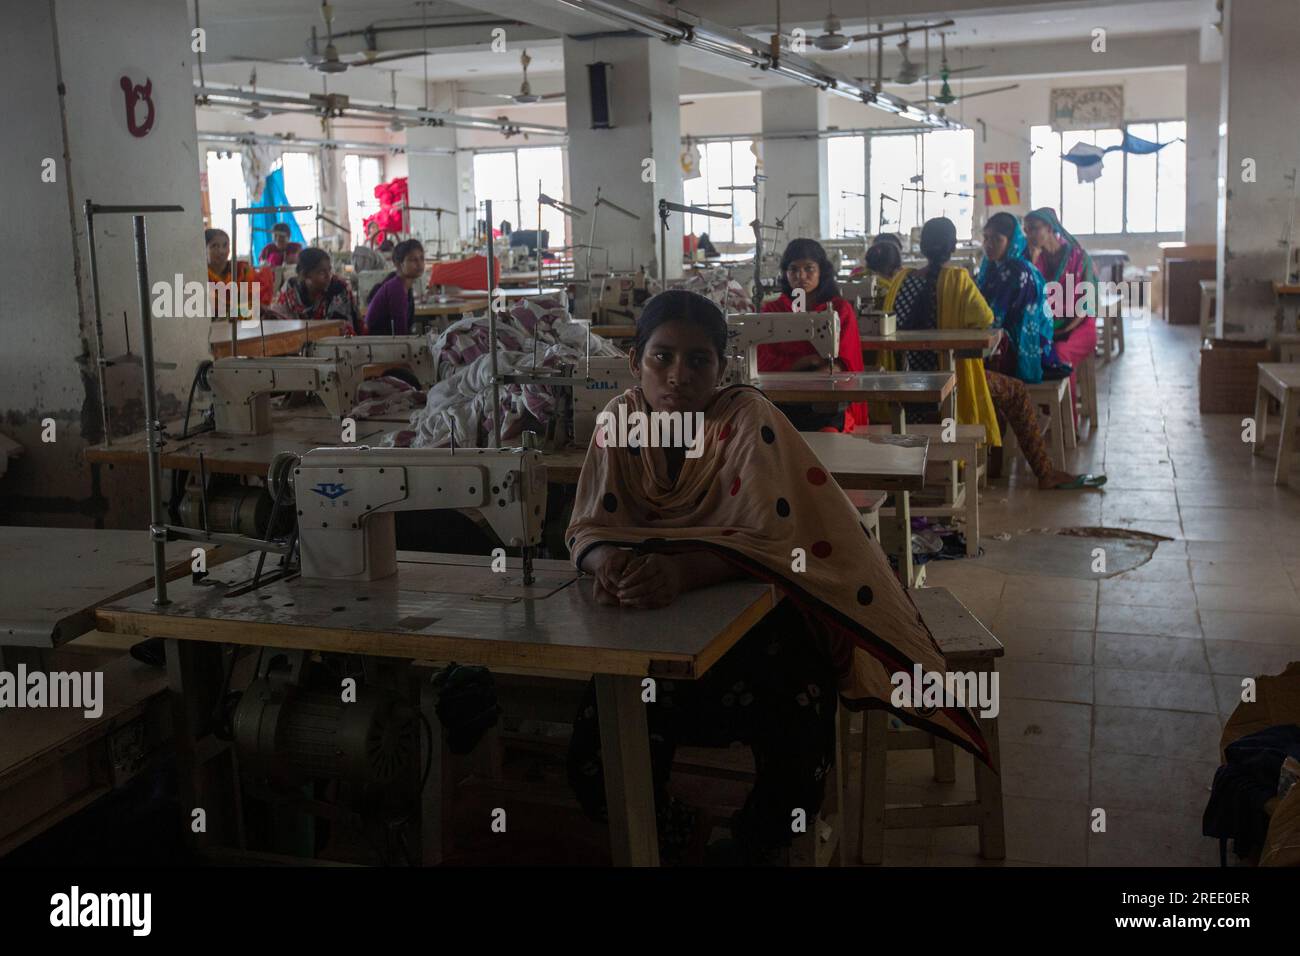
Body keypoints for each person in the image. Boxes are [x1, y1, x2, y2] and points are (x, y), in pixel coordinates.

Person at [564, 289, 989, 865]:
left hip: (758, 614)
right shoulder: (619, 422)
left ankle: (755, 842)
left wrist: (679, 573)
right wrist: (605, 563)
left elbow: (773, 543)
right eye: (661, 357)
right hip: (654, 626)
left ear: (723, 366)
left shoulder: (745, 419)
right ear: (636, 358)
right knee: (598, 753)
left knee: (797, 713)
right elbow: (589, 524)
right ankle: (669, 830)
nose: (678, 376)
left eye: (698, 360)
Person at [890, 218, 1101, 490]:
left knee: (997, 381)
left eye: (995, 239)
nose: (989, 245)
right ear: (953, 246)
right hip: (951, 382)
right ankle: (1044, 473)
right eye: (986, 238)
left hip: (907, 380)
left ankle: (993, 465)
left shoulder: (901, 280)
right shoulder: (958, 279)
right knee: (1014, 392)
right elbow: (987, 318)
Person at [757, 238, 868, 432]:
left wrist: (803, 378)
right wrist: (806, 362)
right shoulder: (772, 310)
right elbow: (763, 360)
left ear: (821, 271)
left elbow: (844, 362)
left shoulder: (840, 309)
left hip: (827, 403)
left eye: (809, 268)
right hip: (781, 403)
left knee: (828, 435)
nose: (801, 276)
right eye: (793, 269)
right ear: (785, 273)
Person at [1025, 207, 1097, 425]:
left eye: (1035, 229)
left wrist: (1063, 330)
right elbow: (1030, 299)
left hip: (1079, 327)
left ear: (1049, 228)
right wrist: (1033, 259)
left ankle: (1066, 423)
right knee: (1024, 353)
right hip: (1048, 328)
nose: (1030, 235)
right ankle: (1044, 416)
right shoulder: (1033, 259)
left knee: (1059, 354)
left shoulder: (1078, 256)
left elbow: (1086, 305)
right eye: (1027, 230)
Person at [273, 248, 360, 332]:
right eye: (321, 272)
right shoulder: (290, 289)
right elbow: (279, 321)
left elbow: (340, 329)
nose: (328, 276)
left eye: (329, 270)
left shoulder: (338, 289)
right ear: (304, 275)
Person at [363, 239, 424, 335]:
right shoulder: (397, 289)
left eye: (421, 258)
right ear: (398, 264)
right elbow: (400, 334)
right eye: (413, 260)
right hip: (379, 345)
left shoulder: (405, 287)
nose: (420, 264)